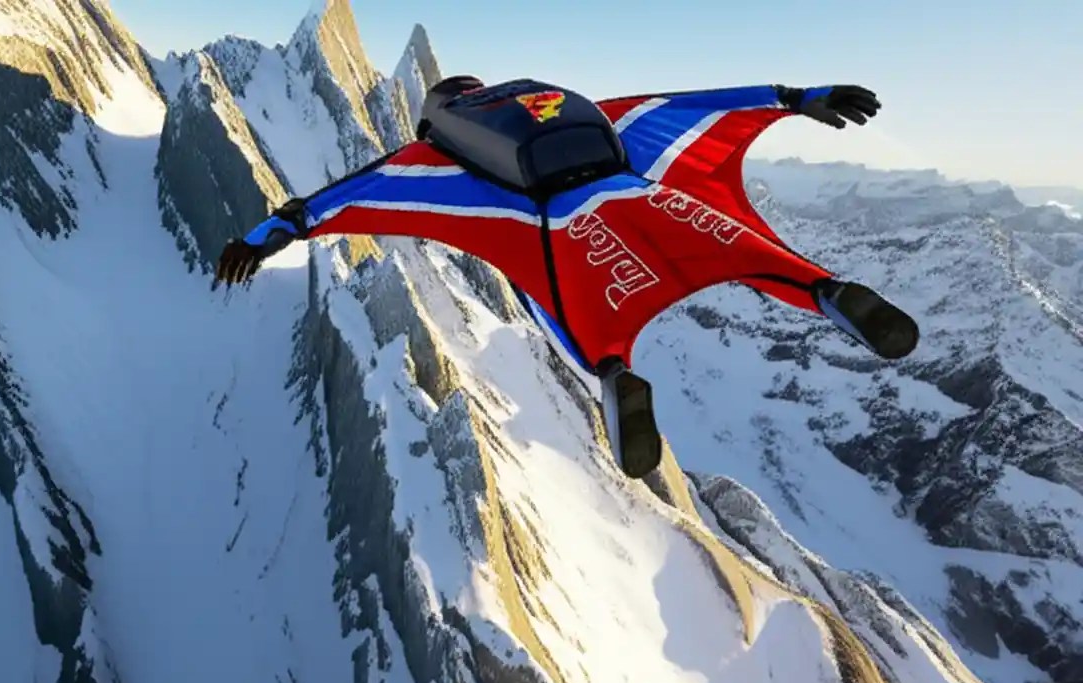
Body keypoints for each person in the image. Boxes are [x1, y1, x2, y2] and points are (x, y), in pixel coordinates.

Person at [214, 76, 920, 478]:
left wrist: (266, 233)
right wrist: (793, 96)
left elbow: (344, 197)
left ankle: (614, 375)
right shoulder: (578, 107)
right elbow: (679, 107)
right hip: (634, 187)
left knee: (576, 313)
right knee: (737, 246)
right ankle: (828, 292)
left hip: (549, 222)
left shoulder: (432, 157)